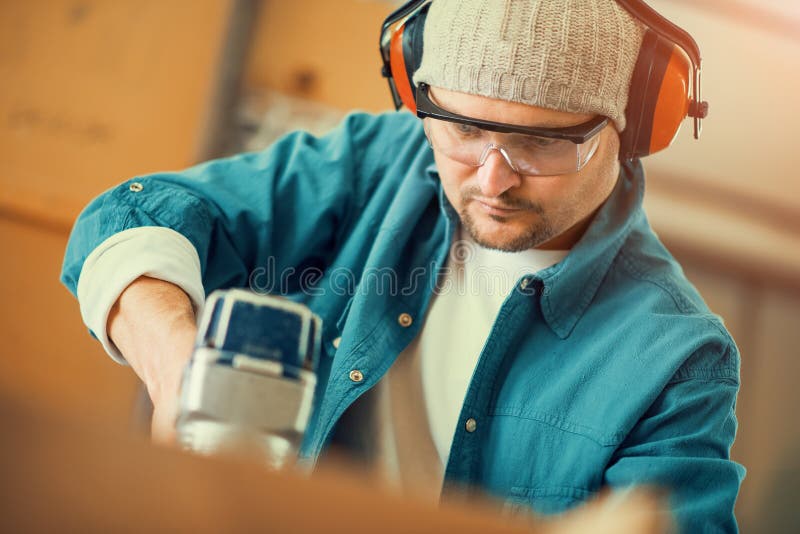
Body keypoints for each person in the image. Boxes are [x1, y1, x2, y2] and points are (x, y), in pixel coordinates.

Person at [61, 0, 745, 531]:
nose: (493, 180)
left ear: (635, 126)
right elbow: (130, 221)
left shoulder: (679, 359)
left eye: (541, 144)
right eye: (464, 131)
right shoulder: (379, 161)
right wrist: (176, 365)